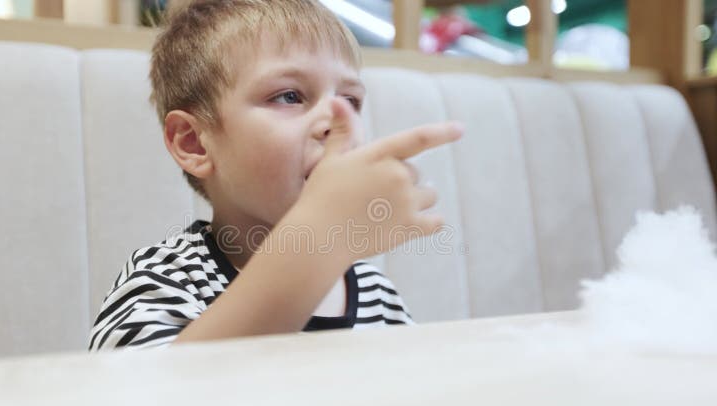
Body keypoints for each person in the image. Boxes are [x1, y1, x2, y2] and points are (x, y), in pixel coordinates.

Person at [88, 0, 463, 350]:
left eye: (350, 101)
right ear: (194, 144)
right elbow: (142, 405)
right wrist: (317, 240)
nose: (335, 122)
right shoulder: (166, 282)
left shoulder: (376, 292)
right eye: (289, 96)